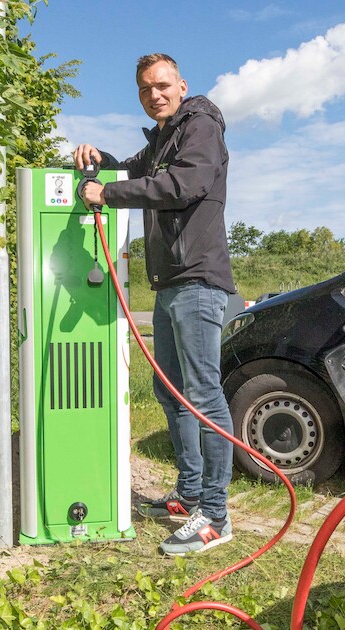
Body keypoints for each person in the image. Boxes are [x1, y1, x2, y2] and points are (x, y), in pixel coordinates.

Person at [74, 53, 236, 556]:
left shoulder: (201, 125)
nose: (154, 95)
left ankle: (215, 516)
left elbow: (184, 185)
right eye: (145, 89)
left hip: (199, 282)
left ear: (182, 86)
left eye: (162, 86)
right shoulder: (163, 139)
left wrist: (107, 194)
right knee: (171, 394)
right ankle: (189, 495)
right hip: (169, 285)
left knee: (204, 396)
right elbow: (127, 172)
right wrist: (93, 154)